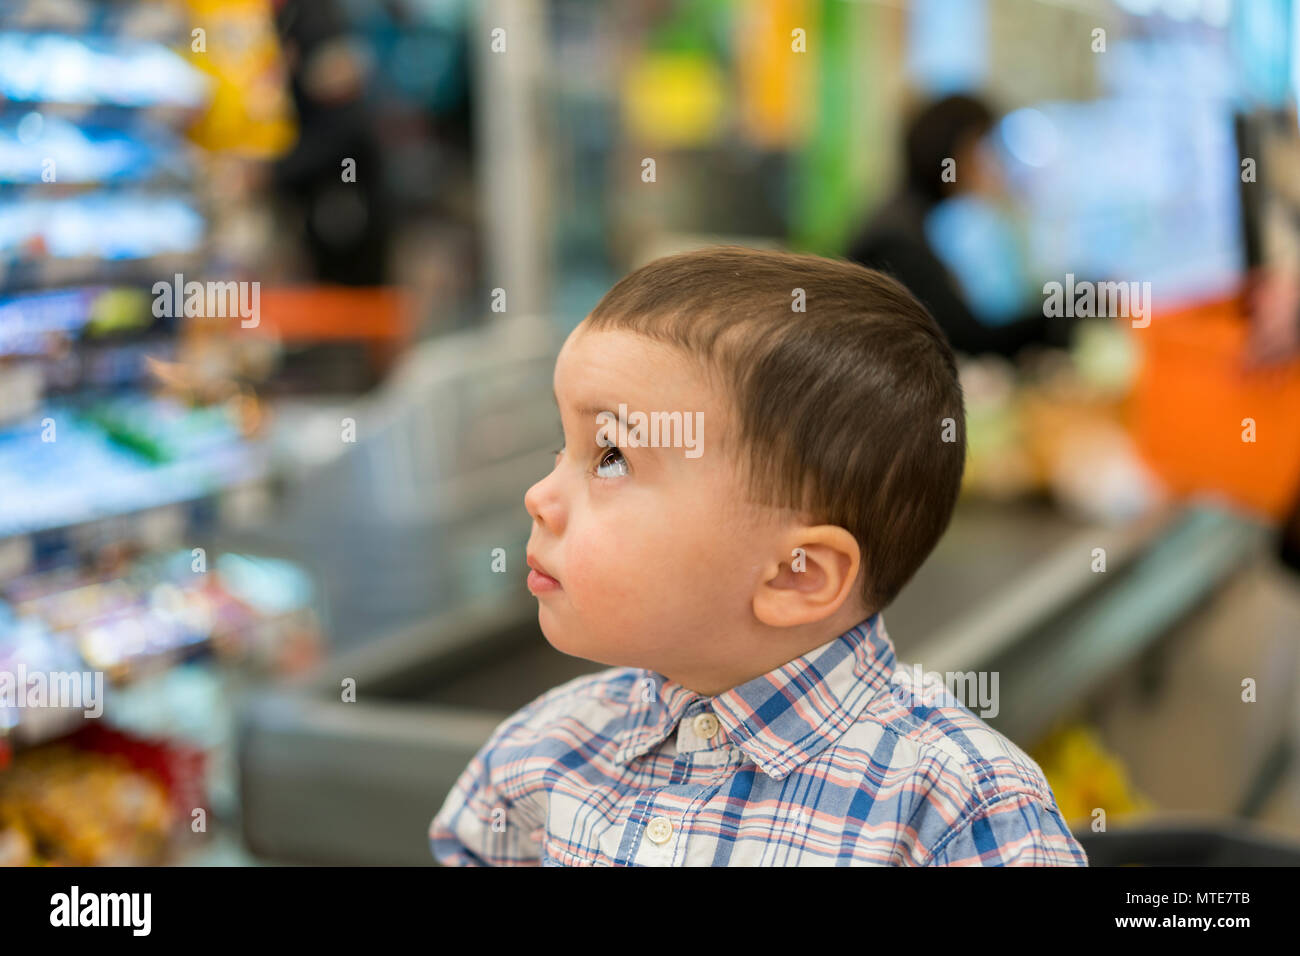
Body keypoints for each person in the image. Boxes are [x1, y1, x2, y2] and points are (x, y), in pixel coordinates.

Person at [428, 246, 1088, 866]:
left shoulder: (956, 809)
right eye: (562, 447)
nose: (539, 495)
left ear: (796, 575)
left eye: (610, 457)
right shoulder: (542, 754)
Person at [847, 94, 1068, 359]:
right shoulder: (897, 241)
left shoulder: (908, 219)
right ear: (950, 150)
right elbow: (965, 339)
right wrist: (1062, 310)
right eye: (983, 150)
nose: (991, 165)